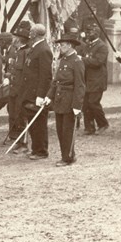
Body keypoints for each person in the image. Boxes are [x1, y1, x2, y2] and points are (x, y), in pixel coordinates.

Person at [47, 28, 86, 166]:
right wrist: (49, 96)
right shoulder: (63, 60)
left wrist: (77, 106)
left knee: (67, 131)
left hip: (70, 101)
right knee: (60, 130)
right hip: (59, 99)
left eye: (62, 45)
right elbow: (56, 80)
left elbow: (80, 86)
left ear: (70, 45)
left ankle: (67, 157)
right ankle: (69, 154)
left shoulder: (76, 62)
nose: (60, 47)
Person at [20, 23, 54, 159]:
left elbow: (46, 75)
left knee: (39, 123)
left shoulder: (44, 49)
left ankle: (41, 151)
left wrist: (41, 95)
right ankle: (35, 148)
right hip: (30, 92)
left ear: (35, 34)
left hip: (36, 94)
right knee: (33, 123)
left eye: (31, 32)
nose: (29, 34)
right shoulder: (36, 48)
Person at [4, 21, 31, 149]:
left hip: (21, 90)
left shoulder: (26, 52)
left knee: (21, 116)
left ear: (20, 39)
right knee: (14, 114)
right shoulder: (17, 52)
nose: (13, 39)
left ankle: (23, 143)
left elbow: (26, 73)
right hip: (14, 88)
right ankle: (17, 139)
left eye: (15, 37)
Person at [80, 24, 109, 135]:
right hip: (87, 79)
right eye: (87, 32)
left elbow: (98, 62)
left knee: (93, 102)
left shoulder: (102, 46)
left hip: (97, 80)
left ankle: (103, 124)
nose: (87, 34)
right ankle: (89, 127)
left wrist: (82, 59)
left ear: (97, 33)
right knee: (86, 104)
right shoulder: (88, 46)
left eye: (90, 32)